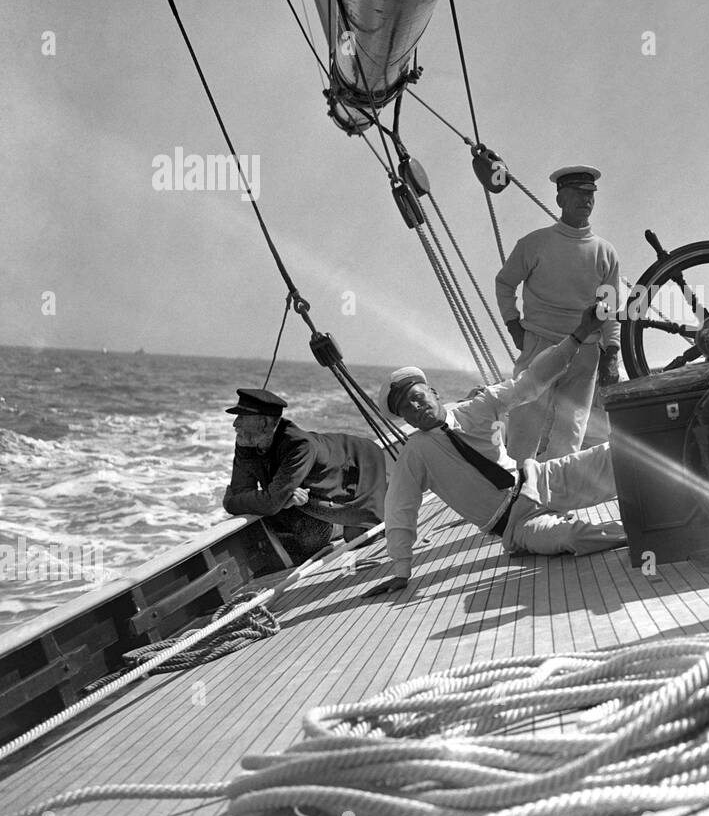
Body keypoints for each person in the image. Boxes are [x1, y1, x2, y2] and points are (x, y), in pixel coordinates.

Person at [368, 304, 626, 595]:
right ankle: (634, 531)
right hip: (517, 524)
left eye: (417, 397)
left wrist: (579, 335)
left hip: (538, 480)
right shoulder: (415, 453)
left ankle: (681, 480)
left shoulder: (477, 408)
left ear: (434, 393)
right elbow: (401, 505)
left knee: (615, 457)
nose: (415, 408)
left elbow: (529, 383)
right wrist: (401, 569)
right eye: (406, 409)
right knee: (572, 538)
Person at [495, 166, 621, 463]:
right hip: (540, 344)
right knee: (525, 424)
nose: (585, 199)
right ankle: (516, 493)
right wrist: (513, 323)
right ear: (560, 199)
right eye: (577, 193)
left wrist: (612, 351)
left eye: (590, 194)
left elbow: (610, 307)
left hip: (586, 352)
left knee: (572, 430)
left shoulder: (606, 252)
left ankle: (560, 502)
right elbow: (504, 283)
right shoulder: (534, 244)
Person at [222, 388, 387, 563]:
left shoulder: (299, 446)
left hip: (363, 467)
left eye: (241, 417)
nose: (235, 424)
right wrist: (281, 500)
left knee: (356, 539)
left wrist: (230, 502)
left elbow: (265, 502)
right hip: (311, 493)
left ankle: (347, 519)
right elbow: (244, 491)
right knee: (290, 528)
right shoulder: (246, 441)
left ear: (263, 423)